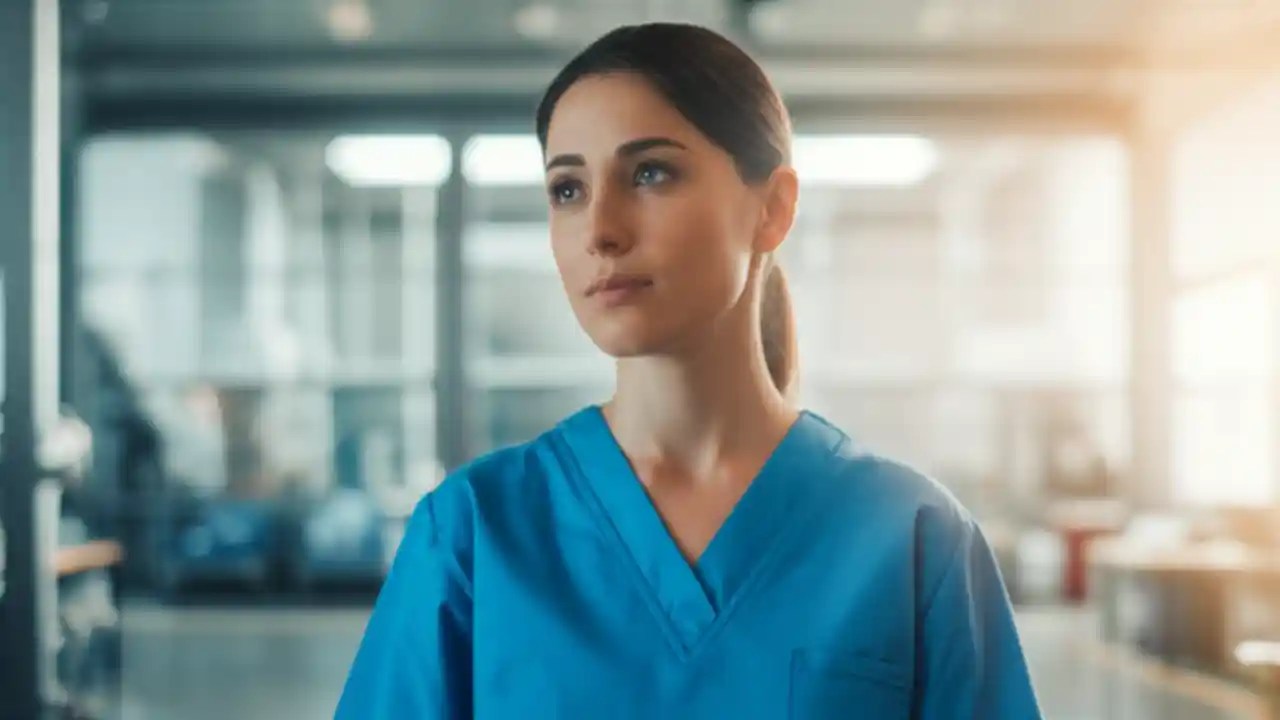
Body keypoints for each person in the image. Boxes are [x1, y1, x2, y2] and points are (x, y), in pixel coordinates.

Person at [336, 22, 1042, 719]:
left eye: (650, 173)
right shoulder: (473, 535)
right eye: (568, 190)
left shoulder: (913, 542)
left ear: (772, 209)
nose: (600, 229)